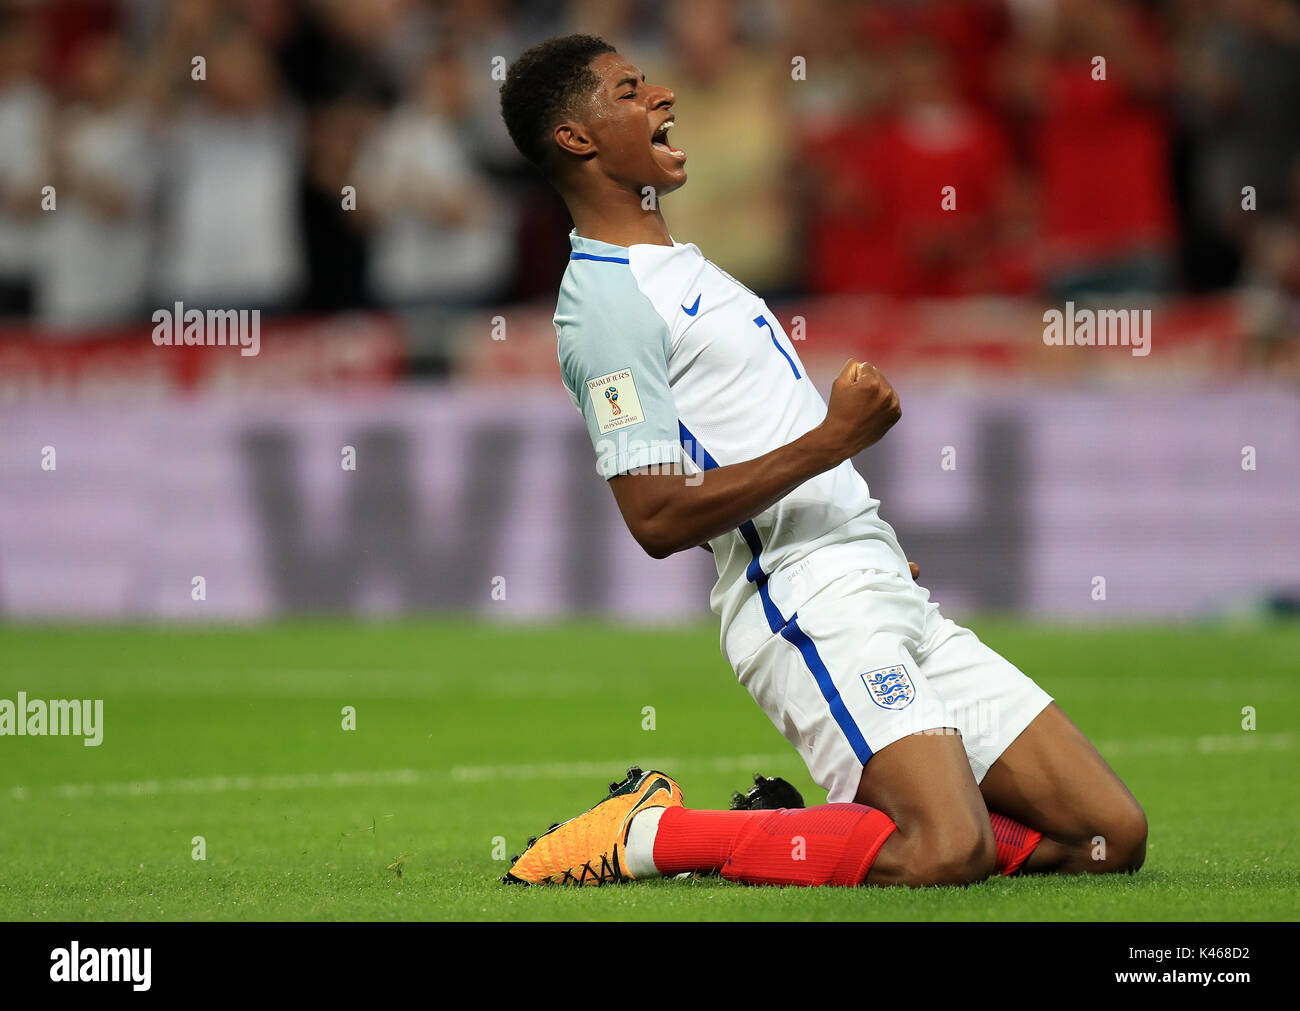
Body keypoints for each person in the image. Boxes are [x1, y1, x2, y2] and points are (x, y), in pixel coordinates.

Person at [497, 35, 1146, 888]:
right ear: (577, 138)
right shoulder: (606, 305)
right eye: (629, 89)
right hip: (801, 599)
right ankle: (655, 835)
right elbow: (653, 516)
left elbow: (741, 429)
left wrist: (853, 524)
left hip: (878, 579)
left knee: (1108, 835)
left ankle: (802, 832)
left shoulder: (682, 268)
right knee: (947, 848)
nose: (662, 96)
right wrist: (830, 445)